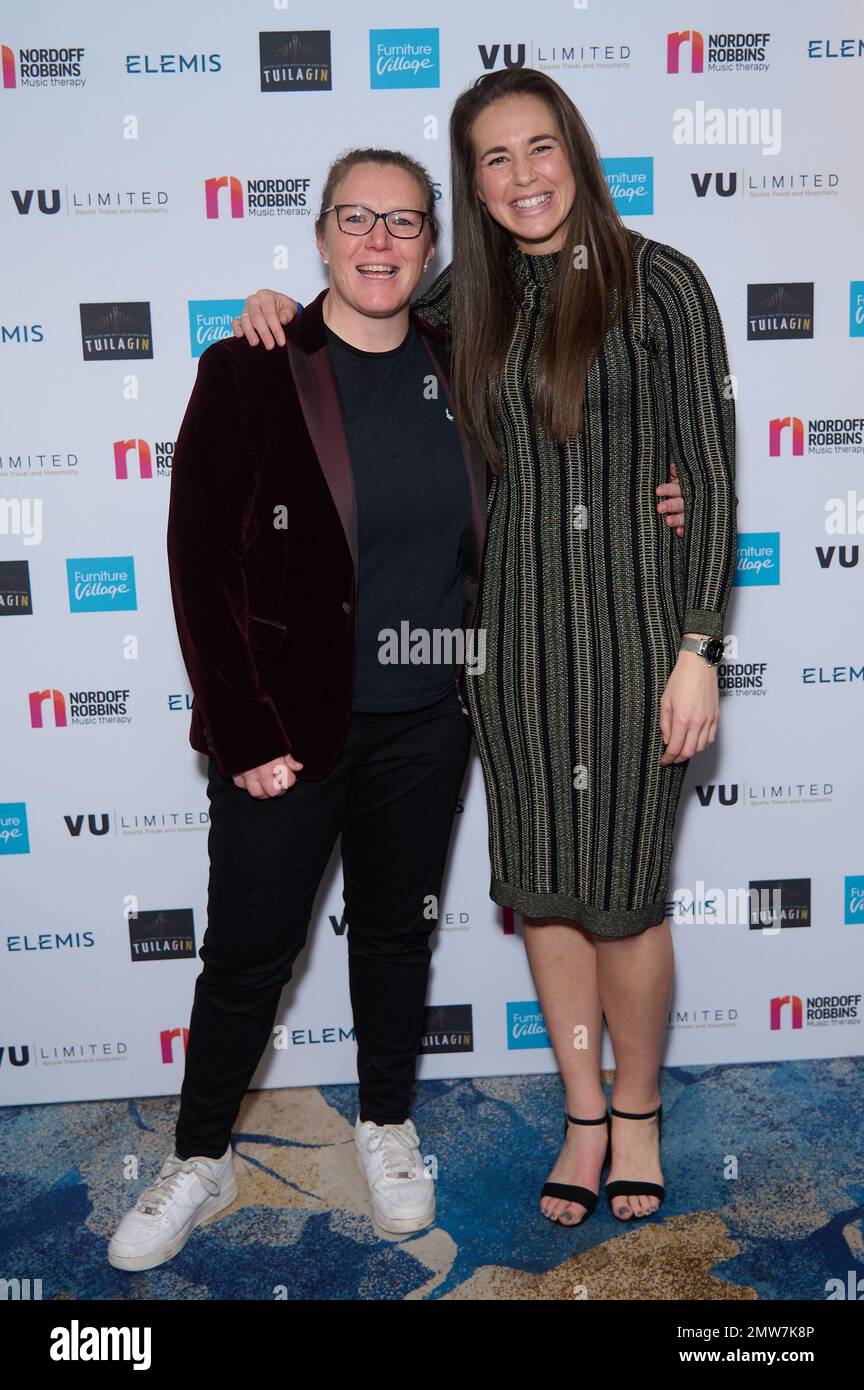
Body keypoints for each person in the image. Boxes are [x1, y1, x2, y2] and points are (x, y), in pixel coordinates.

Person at [235, 68, 735, 1231]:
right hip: (505, 649)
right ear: (472, 182)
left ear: (577, 151)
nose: (522, 177)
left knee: (626, 898)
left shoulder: (665, 285)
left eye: (539, 147)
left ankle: (642, 1107)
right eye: (493, 160)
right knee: (548, 898)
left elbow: (706, 477)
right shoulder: (465, 296)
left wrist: (699, 643)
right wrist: (276, 313)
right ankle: (581, 1111)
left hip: (633, 640)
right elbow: (359, 327)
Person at [108, 148, 490, 1271]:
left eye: (405, 224)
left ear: (429, 246)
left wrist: (660, 492)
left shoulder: (462, 366)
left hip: (431, 715)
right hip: (289, 725)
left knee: (393, 933)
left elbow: (550, 484)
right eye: (358, 220)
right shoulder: (253, 364)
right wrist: (245, 727)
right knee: (247, 951)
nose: (381, 242)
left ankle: (384, 1122)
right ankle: (200, 1151)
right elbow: (199, 561)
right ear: (321, 236)